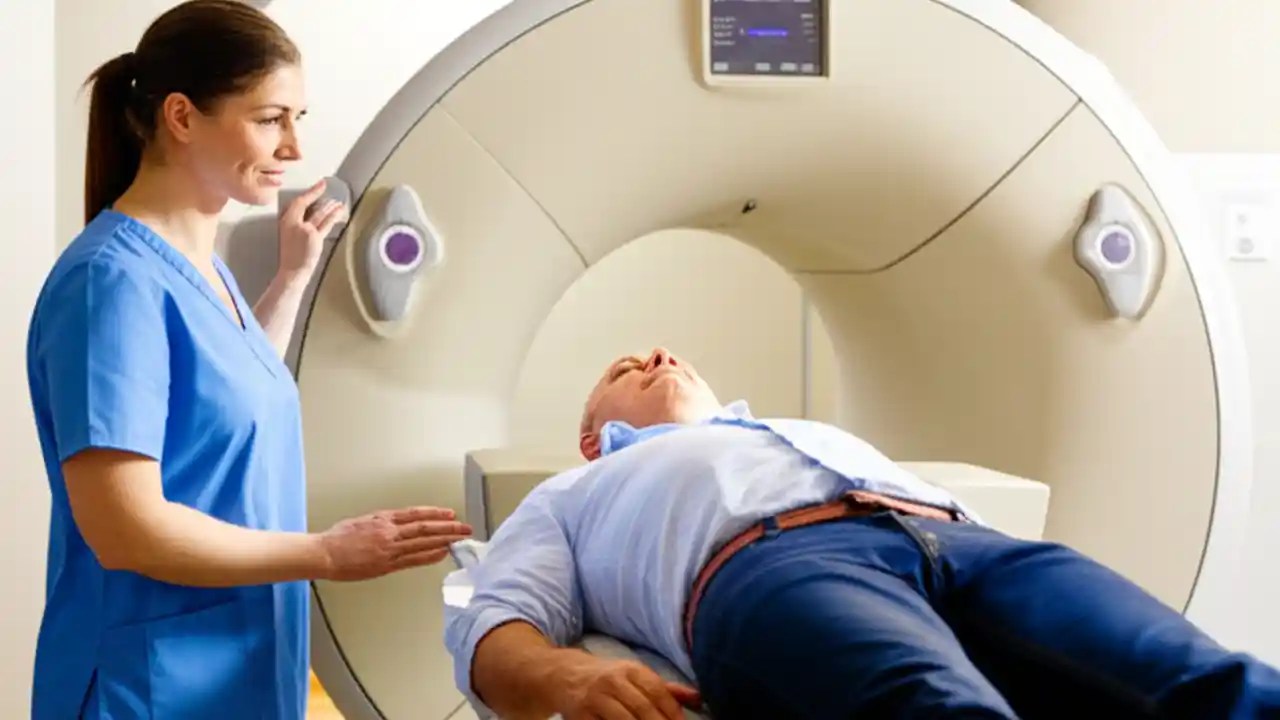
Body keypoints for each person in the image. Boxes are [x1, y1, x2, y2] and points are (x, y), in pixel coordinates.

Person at [24, 2, 472, 719]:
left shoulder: (201, 271)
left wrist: (292, 278)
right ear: (181, 116)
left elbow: (224, 403)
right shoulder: (111, 283)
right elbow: (124, 528)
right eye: (270, 119)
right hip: (149, 689)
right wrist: (326, 553)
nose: (295, 146)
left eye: (298, 117)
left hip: (238, 673)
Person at [444, 346, 1280, 720]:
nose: (656, 354)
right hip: (773, 568)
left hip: (960, 541)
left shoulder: (795, 430)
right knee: (941, 709)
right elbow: (492, 628)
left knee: (1200, 678)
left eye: (666, 355)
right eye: (623, 369)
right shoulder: (576, 487)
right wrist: (566, 681)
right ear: (593, 435)